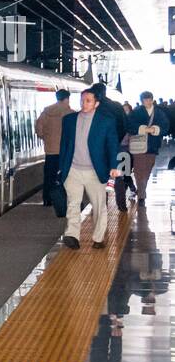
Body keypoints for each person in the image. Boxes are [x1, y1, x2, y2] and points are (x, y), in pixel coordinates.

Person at [58, 88, 120, 249]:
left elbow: (113, 145)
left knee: (99, 205)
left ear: (96, 103)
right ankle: (72, 235)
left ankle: (98, 238)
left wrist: (114, 166)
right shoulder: (69, 120)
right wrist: (61, 167)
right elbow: (64, 145)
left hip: (95, 171)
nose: (84, 103)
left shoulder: (106, 121)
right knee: (73, 204)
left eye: (88, 101)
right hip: (73, 170)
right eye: (82, 100)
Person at [90, 82, 129, 211]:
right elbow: (124, 126)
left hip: (97, 149)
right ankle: (122, 206)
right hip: (114, 147)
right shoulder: (116, 106)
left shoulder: (91, 107)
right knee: (117, 177)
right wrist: (116, 141)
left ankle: (102, 206)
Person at [126, 91, 168, 206]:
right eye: (145, 100)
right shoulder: (136, 112)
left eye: (149, 99)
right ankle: (141, 197)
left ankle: (141, 189)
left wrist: (155, 129)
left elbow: (165, 126)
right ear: (142, 101)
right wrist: (143, 129)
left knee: (148, 169)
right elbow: (129, 125)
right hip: (138, 145)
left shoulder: (159, 113)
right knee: (139, 170)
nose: (147, 102)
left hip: (153, 146)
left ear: (152, 99)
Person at [35, 89, 74, 206]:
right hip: (66, 152)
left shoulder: (47, 112)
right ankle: (63, 199)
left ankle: (47, 199)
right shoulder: (71, 113)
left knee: (49, 176)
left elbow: (39, 129)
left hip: (51, 151)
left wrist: (46, 138)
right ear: (67, 99)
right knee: (66, 176)